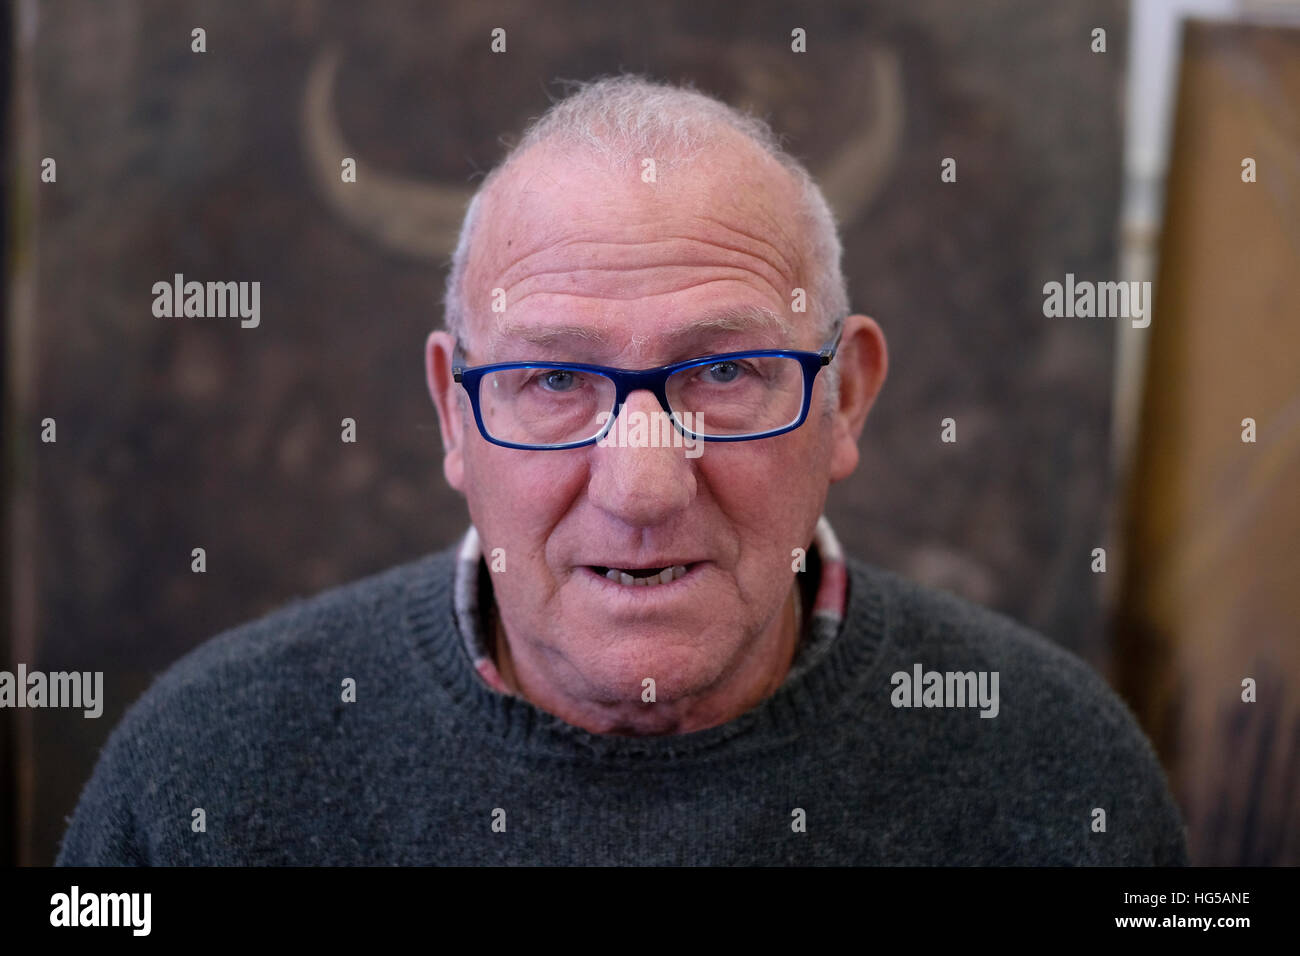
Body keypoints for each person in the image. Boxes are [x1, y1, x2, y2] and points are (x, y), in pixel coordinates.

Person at [58, 76, 1187, 865]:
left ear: (843, 395)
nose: (642, 486)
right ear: (454, 409)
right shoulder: (204, 775)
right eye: (553, 380)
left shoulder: (1056, 769)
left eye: (726, 371)